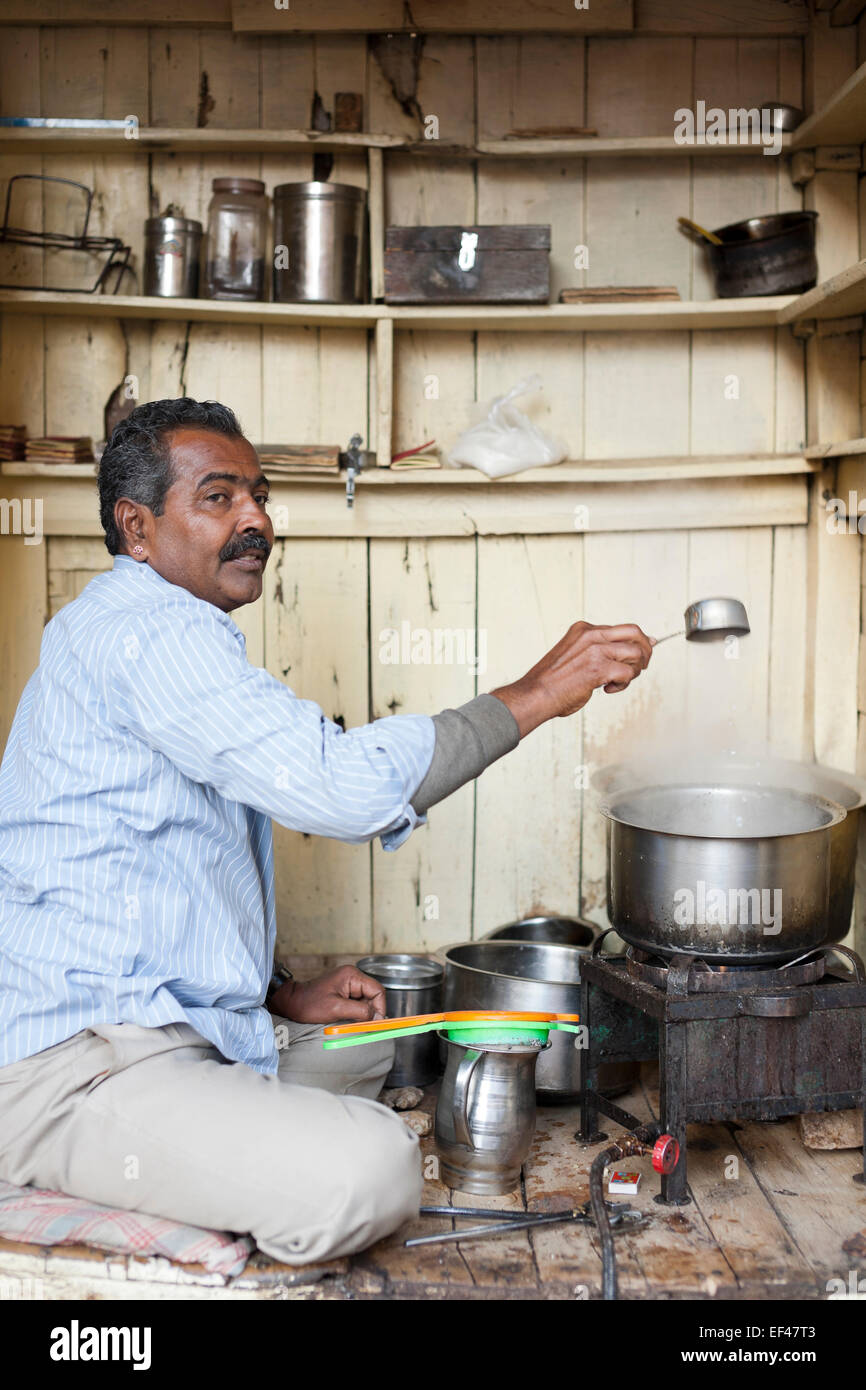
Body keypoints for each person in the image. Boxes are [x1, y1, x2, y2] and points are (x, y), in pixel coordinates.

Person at [0, 397, 653, 1265]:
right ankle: (71, 1176)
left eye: (260, 497)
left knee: (369, 1057)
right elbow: (341, 788)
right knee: (372, 1166)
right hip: (79, 1071)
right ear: (138, 526)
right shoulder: (148, 632)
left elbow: (155, 877)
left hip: (155, 1031)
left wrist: (273, 996)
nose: (257, 520)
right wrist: (536, 693)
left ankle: (196, 1148)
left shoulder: (152, 636)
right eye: (220, 498)